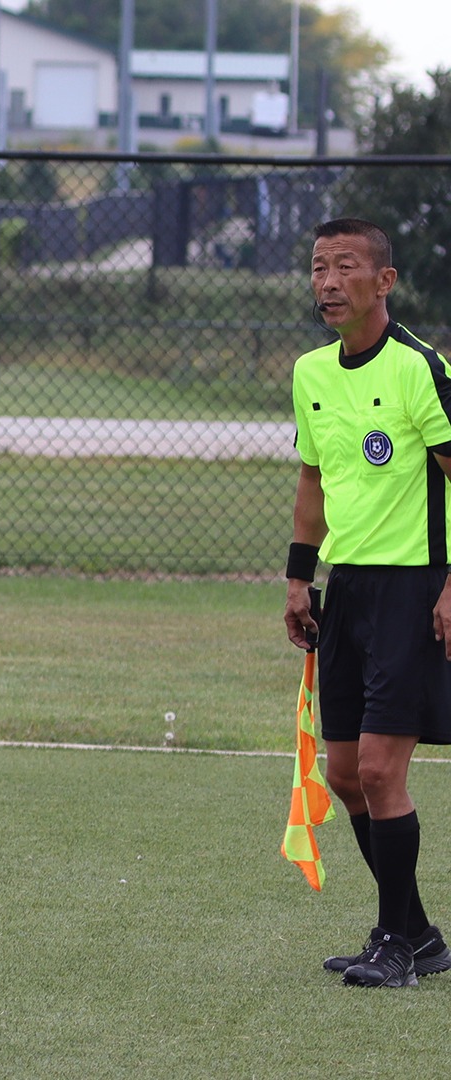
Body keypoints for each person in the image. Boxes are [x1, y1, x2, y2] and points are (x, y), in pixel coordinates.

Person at [285, 217, 451, 988]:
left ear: (384, 281)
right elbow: (314, 482)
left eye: (343, 266)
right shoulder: (312, 374)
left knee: (383, 770)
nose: (326, 281)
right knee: (346, 774)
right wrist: (298, 577)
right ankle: (414, 933)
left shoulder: (421, 368)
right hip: (347, 590)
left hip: (414, 588)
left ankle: (396, 939)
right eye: (318, 267)